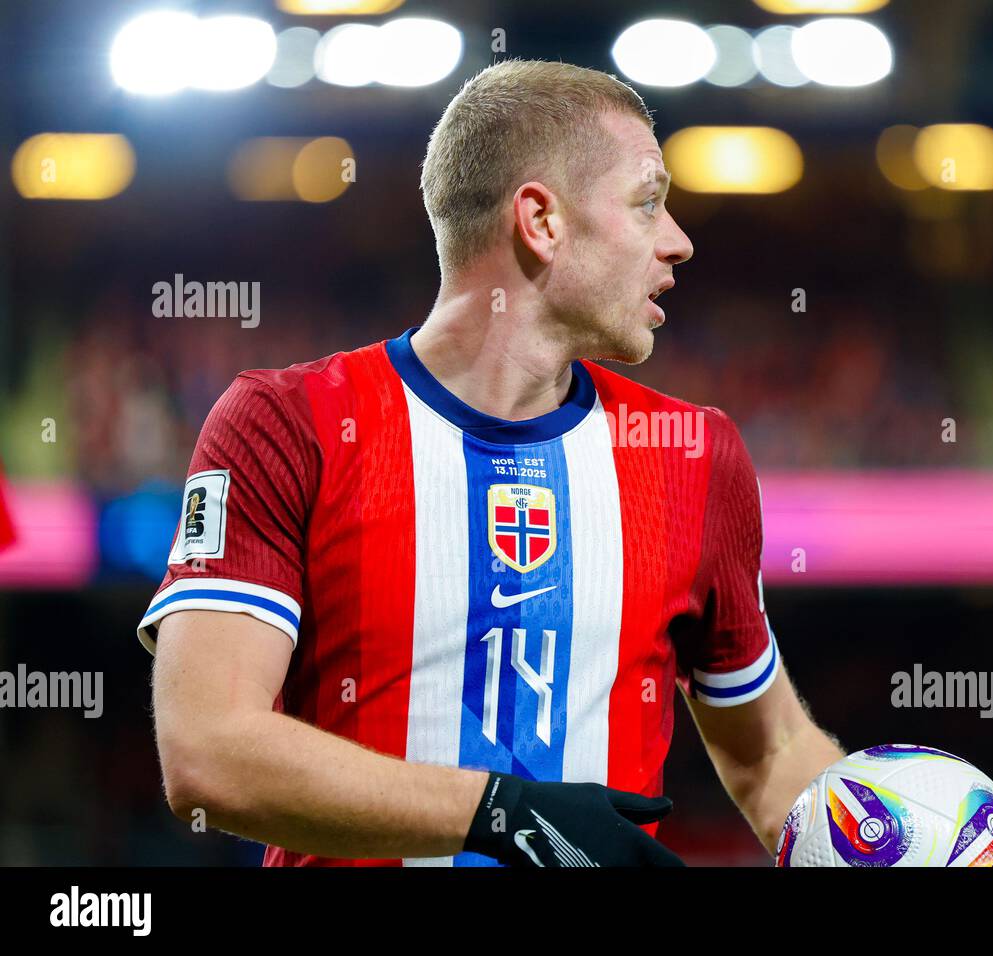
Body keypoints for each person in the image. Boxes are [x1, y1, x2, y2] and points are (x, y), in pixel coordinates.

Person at [141, 59, 843, 867]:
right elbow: (208, 751)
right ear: (541, 220)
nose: (679, 241)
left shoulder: (695, 454)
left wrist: (893, 838)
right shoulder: (286, 423)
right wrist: (503, 812)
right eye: (648, 202)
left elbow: (769, 753)